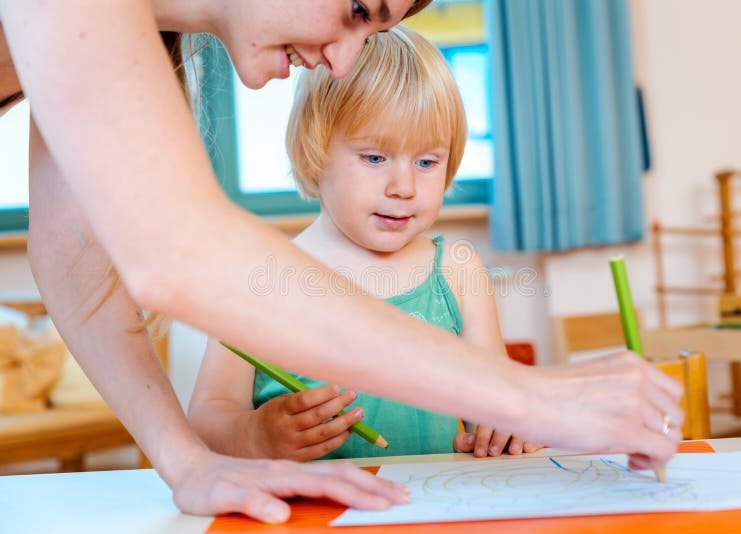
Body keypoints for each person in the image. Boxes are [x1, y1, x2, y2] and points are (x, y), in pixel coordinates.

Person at [0, 0, 683, 524]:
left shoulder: (130, 33)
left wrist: (187, 463)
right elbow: (174, 252)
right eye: (358, 9)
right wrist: (533, 397)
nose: (344, 55)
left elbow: (76, 260)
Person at [188, 26, 542, 462]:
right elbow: (207, 418)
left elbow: (496, 404)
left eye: (427, 162)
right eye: (375, 157)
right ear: (314, 149)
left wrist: (506, 426)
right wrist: (256, 435)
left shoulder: (457, 270)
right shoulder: (261, 278)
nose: (404, 187)